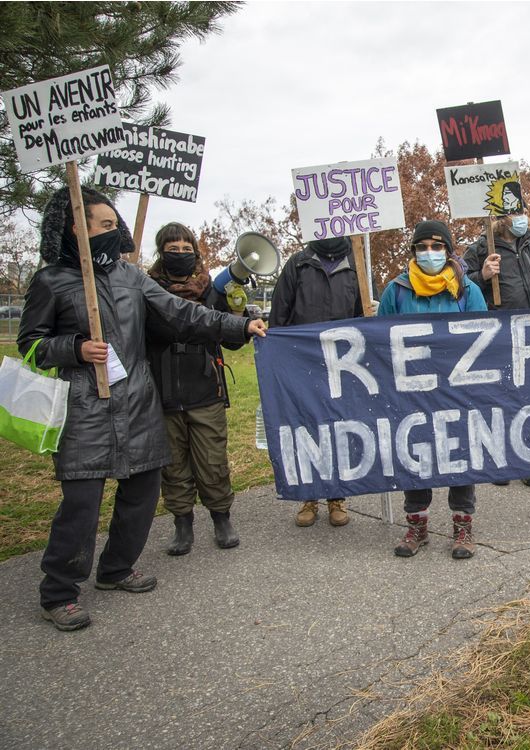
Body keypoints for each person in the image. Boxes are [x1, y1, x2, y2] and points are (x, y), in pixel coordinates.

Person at [17, 187, 266, 632]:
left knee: (142, 494)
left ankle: (116, 569)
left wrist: (240, 324)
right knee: (81, 505)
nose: (116, 233)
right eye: (105, 226)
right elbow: (31, 347)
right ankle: (59, 591)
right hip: (84, 408)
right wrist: (73, 348)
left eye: (116, 224)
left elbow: (184, 314)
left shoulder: (131, 278)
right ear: (78, 227)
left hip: (138, 403)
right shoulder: (50, 281)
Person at [377, 220, 488, 559]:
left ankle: (463, 526)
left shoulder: (467, 291)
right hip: (412, 392)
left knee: (461, 454)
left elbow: (484, 337)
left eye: (437, 247)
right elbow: (379, 340)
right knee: (415, 454)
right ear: (413, 252)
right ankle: (417, 526)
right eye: (422, 247)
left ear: (449, 251)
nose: (429, 253)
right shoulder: (396, 291)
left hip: (457, 391)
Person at [146, 222, 248, 555]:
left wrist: (237, 312)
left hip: (205, 389)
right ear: (161, 253)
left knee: (212, 461)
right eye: (172, 249)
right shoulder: (145, 290)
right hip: (162, 393)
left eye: (186, 249)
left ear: (196, 253)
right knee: (173, 464)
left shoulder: (210, 290)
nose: (180, 254)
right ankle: (182, 524)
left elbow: (232, 342)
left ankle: (221, 518)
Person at [463, 187, 530, 488]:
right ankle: (502, 461)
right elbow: (459, 284)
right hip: (502, 335)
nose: (520, 217)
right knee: (504, 396)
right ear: (499, 217)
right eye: (513, 212)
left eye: (522, 211)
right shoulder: (481, 248)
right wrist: (481, 275)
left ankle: (529, 459)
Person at [269, 236, 363, 528]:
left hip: (343, 364)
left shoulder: (356, 265)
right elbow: (279, 316)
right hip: (303, 363)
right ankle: (309, 496)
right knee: (308, 428)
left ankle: (337, 497)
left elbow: (363, 318)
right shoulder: (298, 264)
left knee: (339, 427)